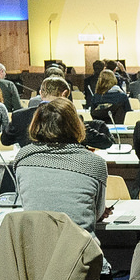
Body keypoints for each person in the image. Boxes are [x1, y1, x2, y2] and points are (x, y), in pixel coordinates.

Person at [12, 98, 110, 238]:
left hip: (35, 251)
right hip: (80, 252)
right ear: (76, 125)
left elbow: (26, 203)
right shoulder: (95, 163)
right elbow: (98, 213)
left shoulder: (23, 158)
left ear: (36, 125)